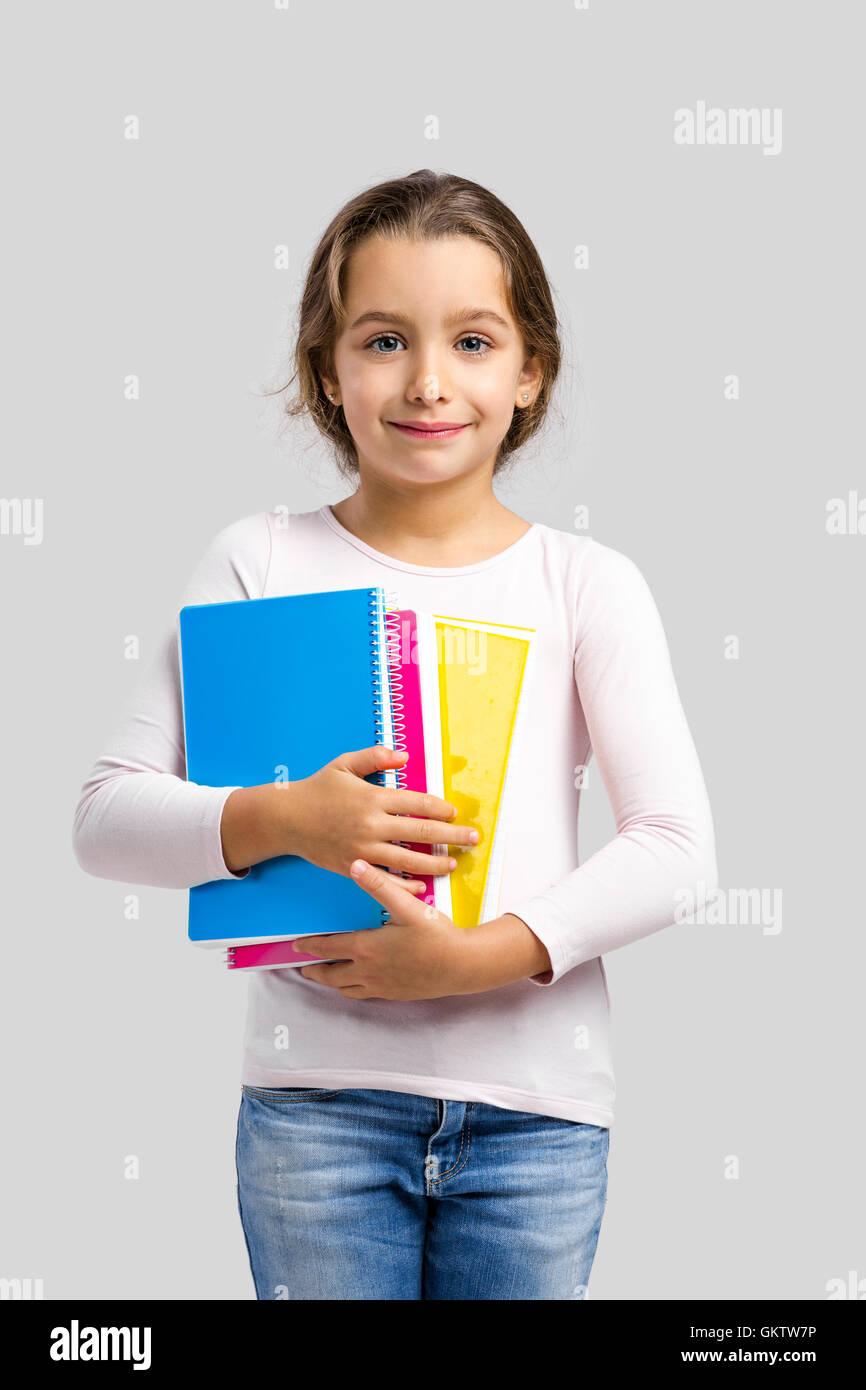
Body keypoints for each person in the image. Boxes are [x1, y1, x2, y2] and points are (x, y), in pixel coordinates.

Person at [72, 168, 718, 1300]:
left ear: (530, 374)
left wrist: (480, 955)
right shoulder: (256, 563)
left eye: (472, 342)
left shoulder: (584, 584)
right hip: (313, 1110)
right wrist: (285, 817)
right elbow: (105, 820)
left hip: (537, 1119)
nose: (427, 382)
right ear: (328, 369)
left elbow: (676, 848)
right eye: (382, 341)